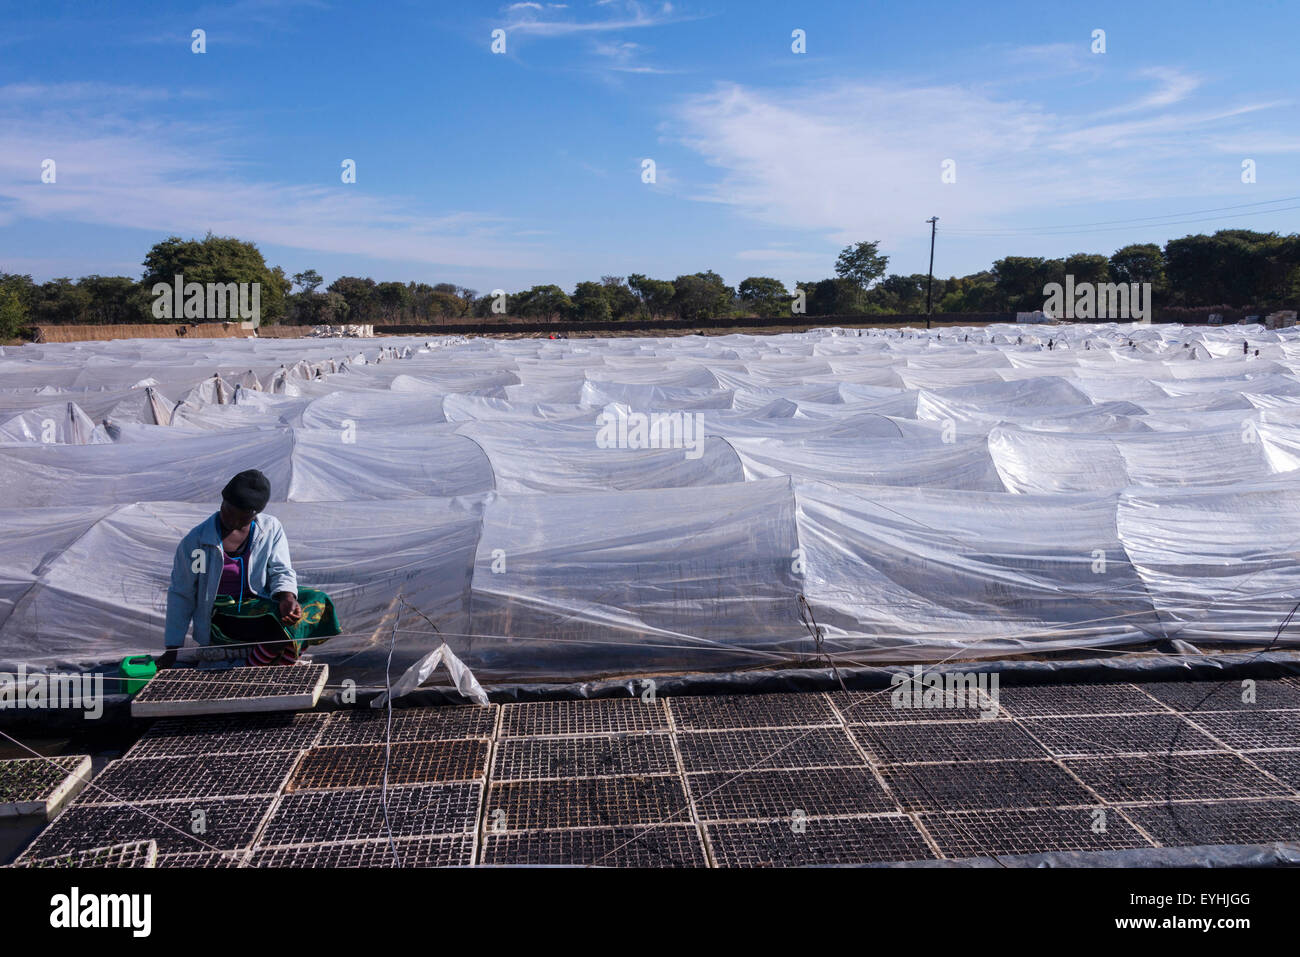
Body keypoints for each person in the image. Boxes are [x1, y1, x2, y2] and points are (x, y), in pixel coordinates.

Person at [158, 470, 340, 668]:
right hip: (223, 616)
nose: (233, 522)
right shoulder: (199, 544)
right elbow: (183, 592)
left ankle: (274, 662)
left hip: (260, 603)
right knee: (282, 624)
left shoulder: (270, 529)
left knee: (315, 602)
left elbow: (280, 569)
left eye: (242, 518)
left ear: (255, 514)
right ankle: (257, 665)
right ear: (222, 502)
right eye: (228, 512)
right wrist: (172, 648)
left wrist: (288, 597)